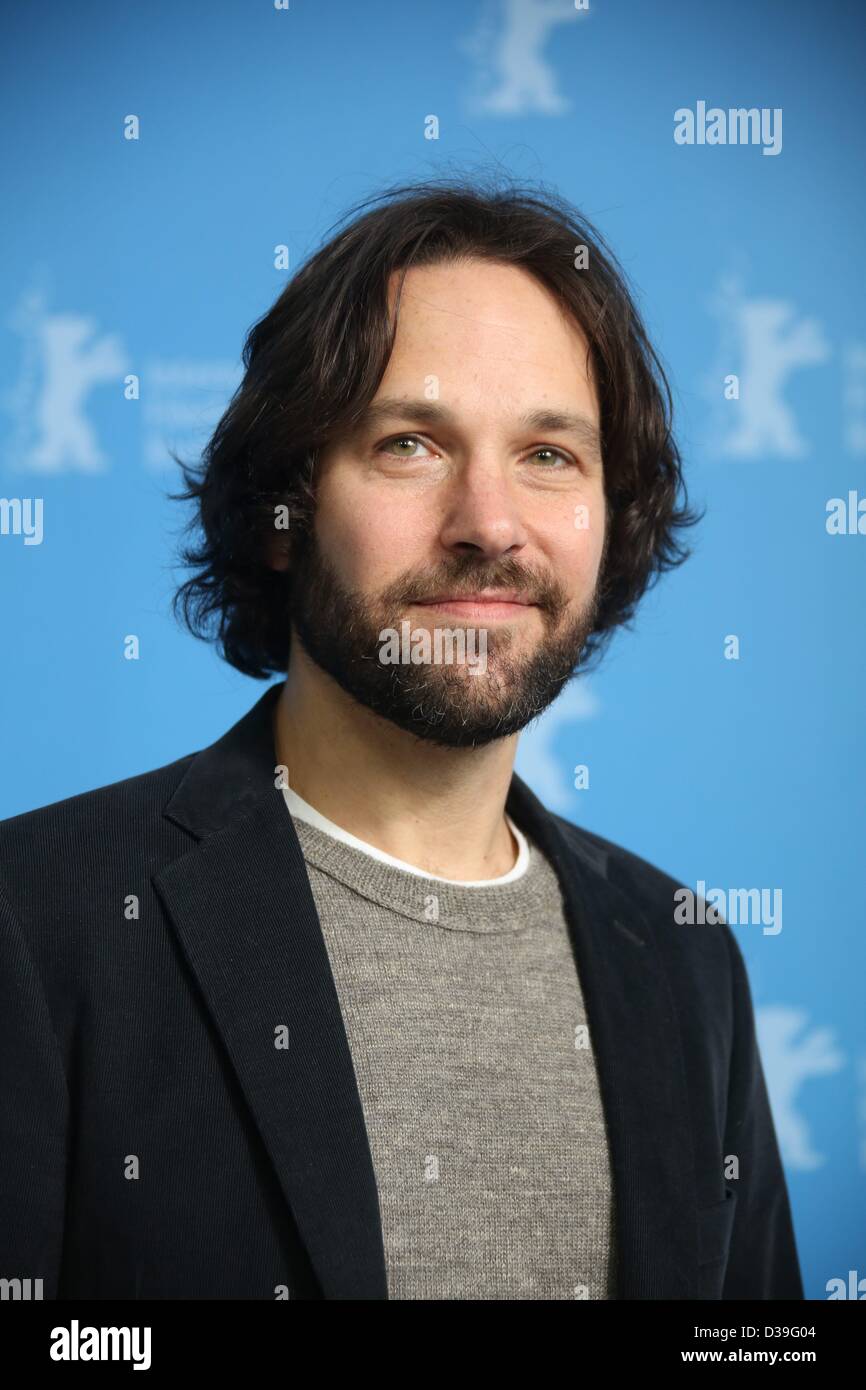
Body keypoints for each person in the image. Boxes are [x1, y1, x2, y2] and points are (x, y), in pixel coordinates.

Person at [0, 178, 803, 1300]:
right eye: (411, 443)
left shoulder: (681, 955)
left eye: (548, 454)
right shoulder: (35, 923)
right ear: (286, 511)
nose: (487, 522)